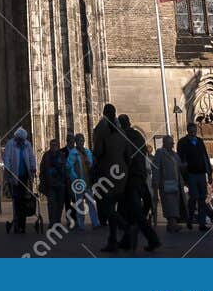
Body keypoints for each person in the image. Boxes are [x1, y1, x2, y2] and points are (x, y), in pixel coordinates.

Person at [117, 123, 161, 253]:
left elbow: (123, 159)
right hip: (140, 178)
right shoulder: (138, 136)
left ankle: (153, 239)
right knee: (130, 213)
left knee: (135, 213)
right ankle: (126, 241)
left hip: (131, 179)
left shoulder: (123, 137)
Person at [91, 104, 129, 250]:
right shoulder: (121, 130)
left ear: (104, 113)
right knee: (113, 205)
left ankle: (125, 228)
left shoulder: (102, 128)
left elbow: (98, 151)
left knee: (107, 206)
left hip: (107, 173)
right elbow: (128, 153)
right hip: (121, 173)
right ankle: (113, 240)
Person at [3, 127, 37, 236]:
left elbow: (31, 157)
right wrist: (8, 170)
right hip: (14, 176)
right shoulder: (10, 144)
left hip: (25, 176)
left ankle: (22, 225)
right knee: (17, 201)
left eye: (23, 140)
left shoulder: (27, 144)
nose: (21, 142)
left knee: (23, 201)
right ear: (16, 138)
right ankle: (18, 224)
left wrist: (33, 167)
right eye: (20, 140)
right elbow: (7, 158)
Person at [177, 123, 210, 232]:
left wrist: (209, 172)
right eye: (191, 130)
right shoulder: (182, 142)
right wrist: (184, 176)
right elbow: (180, 160)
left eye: (194, 130)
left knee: (202, 198)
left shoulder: (200, 141)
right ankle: (190, 218)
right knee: (194, 197)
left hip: (201, 173)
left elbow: (205, 156)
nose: (193, 132)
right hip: (191, 174)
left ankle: (202, 223)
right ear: (188, 130)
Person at [152, 134, 186, 232]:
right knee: (169, 203)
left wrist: (184, 166)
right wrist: (156, 182)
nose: (172, 145)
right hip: (166, 182)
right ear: (165, 143)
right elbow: (156, 168)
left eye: (172, 143)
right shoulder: (160, 152)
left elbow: (179, 165)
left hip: (176, 182)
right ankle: (172, 224)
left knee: (175, 203)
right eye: (170, 143)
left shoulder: (175, 154)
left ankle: (172, 224)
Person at [67, 133, 94, 227]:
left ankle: (95, 222)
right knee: (80, 204)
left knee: (91, 202)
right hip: (78, 181)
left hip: (87, 180)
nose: (81, 143)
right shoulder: (73, 152)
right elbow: (68, 166)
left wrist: (89, 162)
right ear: (76, 142)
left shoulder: (87, 152)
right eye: (79, 141)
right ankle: (81, 223)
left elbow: (91, 164)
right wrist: (74, 177)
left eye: (82, 141)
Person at [39, 137, 67, 228]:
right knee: (51, 204)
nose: (54, 147)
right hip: (50, 184)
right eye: (52, 145)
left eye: (55, 145)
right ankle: (52, 222)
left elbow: (65, 168)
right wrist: (42, 181)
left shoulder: (62, 155)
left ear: (58, 146)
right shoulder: (46, 155)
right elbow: (42, 169)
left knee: (60, 204)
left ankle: (57, 221)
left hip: (60, 183)